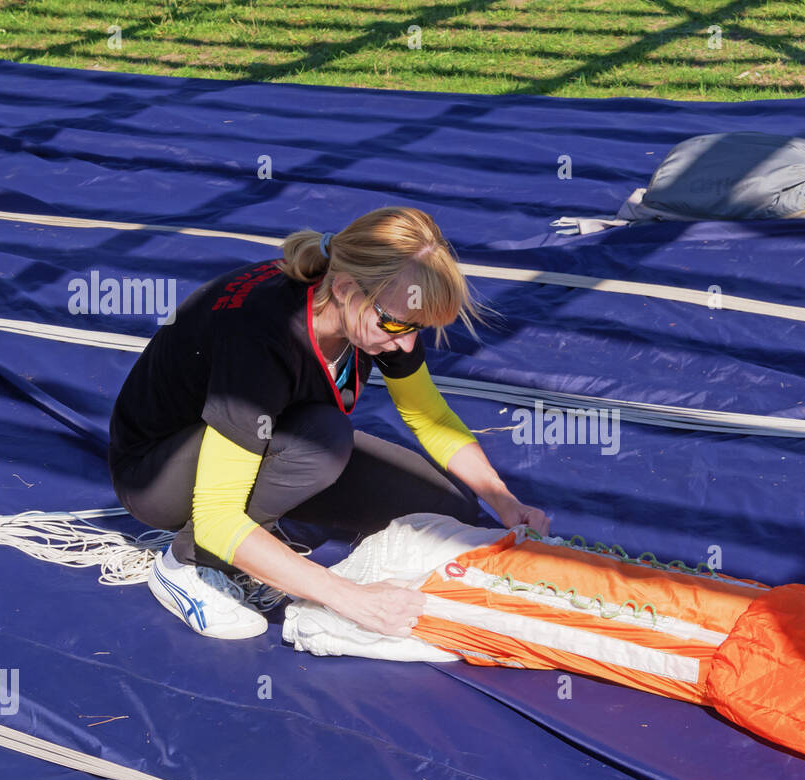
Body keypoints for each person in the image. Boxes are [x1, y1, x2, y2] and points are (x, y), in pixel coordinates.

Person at [107, 206, 548, 641]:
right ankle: (187, 564)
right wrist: (351, 598)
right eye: (397, 324)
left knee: (447, 509)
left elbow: (428, 416)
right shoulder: (263, 337)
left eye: (420, 328)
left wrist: (503, 499)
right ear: (344, 289)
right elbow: (217, 516)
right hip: (158, 474)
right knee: (323, 440)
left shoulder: (379, 311)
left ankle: (265, 529)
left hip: (269, 443)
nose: (408, 343)